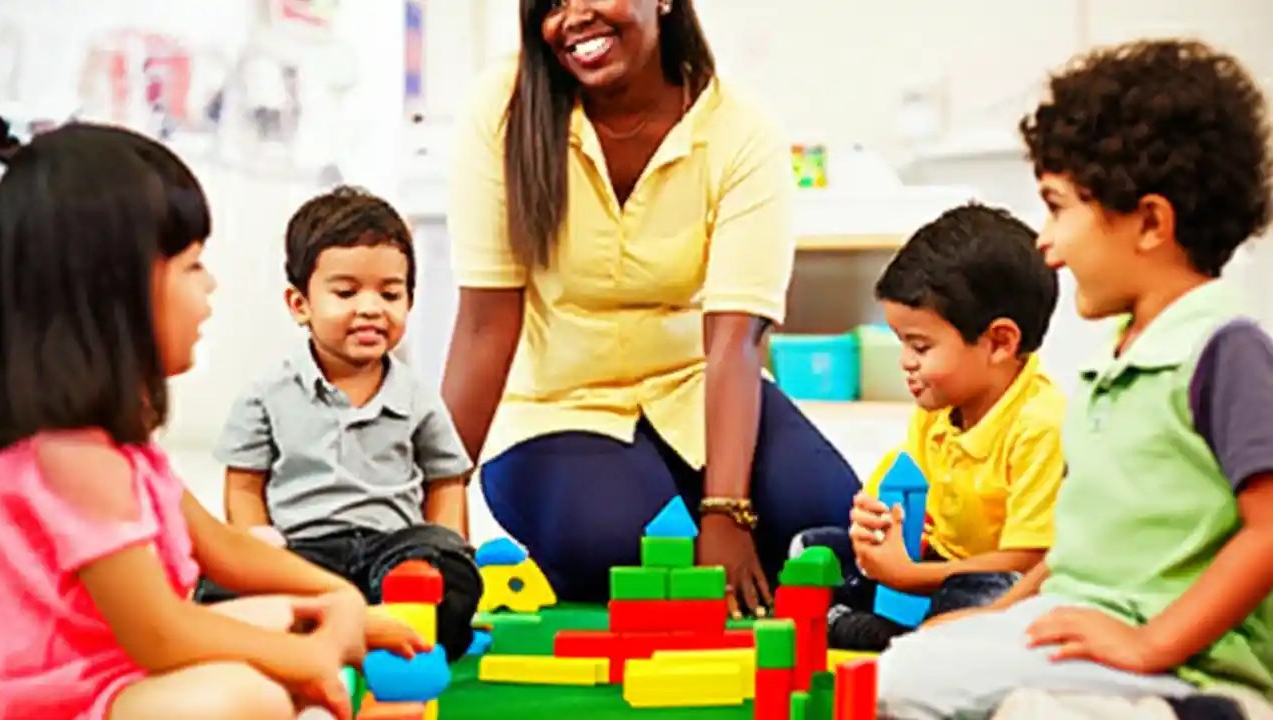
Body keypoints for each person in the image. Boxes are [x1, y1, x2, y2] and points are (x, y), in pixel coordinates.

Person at [878, 39, 1273, 719]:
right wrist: (991, 617)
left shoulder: (1222, 350)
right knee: (902, 674)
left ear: (1150, 222)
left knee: (917, 689)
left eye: (1059, 208)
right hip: (1073, 617)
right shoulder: (1114, 365)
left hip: (1184, 660)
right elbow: (1076, 552)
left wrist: (1151, 645)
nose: (1046, 241)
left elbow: (1268, 529)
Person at [440, 0, 861, 614]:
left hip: (697, 387)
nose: (574, 18)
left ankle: (708, 523)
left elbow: (734, 339)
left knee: (829, 528)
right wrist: (435, 506)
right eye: (552, 5)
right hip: (555, 408)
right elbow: (485, 325)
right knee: (628, 549)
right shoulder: (502, 109)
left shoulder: (739, 131)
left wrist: (726, 513)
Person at [0, 124, 422, 720]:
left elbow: (221, 546)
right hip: (65, 701)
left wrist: (338, 600)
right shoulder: (73, 458)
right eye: (193, 266)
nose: (211, 285)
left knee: (281, 617)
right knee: (246, 695)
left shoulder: (122, 447)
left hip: (117, 673)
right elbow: (160, 634)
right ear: (113, 291)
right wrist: (305, 660)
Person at [203, 186, 482, 661]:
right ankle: (337, 623)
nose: (371, 308)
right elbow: (245, 485)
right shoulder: (267, 394)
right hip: (303, 553)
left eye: (390, 294)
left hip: (392, 552)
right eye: (346, 292)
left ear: (409, 302)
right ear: (299, 304)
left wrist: (447, 545)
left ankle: (381, 624)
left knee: (449, 573)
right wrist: (259, 553)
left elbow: (446, 479)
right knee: (221, 590)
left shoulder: (417, 396)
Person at [794, 203, 1065, 652]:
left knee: (982, 594)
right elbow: (908, 506)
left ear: (999, 342)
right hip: (936, 564)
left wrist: (908, 575)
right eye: (901, 342)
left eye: (920, 346)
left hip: (996, 583)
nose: (905, 362)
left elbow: (1029, 562)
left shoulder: (1040, 425)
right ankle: (878, 629)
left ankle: (897, 639)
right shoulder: (938, 409)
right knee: (814, 547)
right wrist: (877, 527)